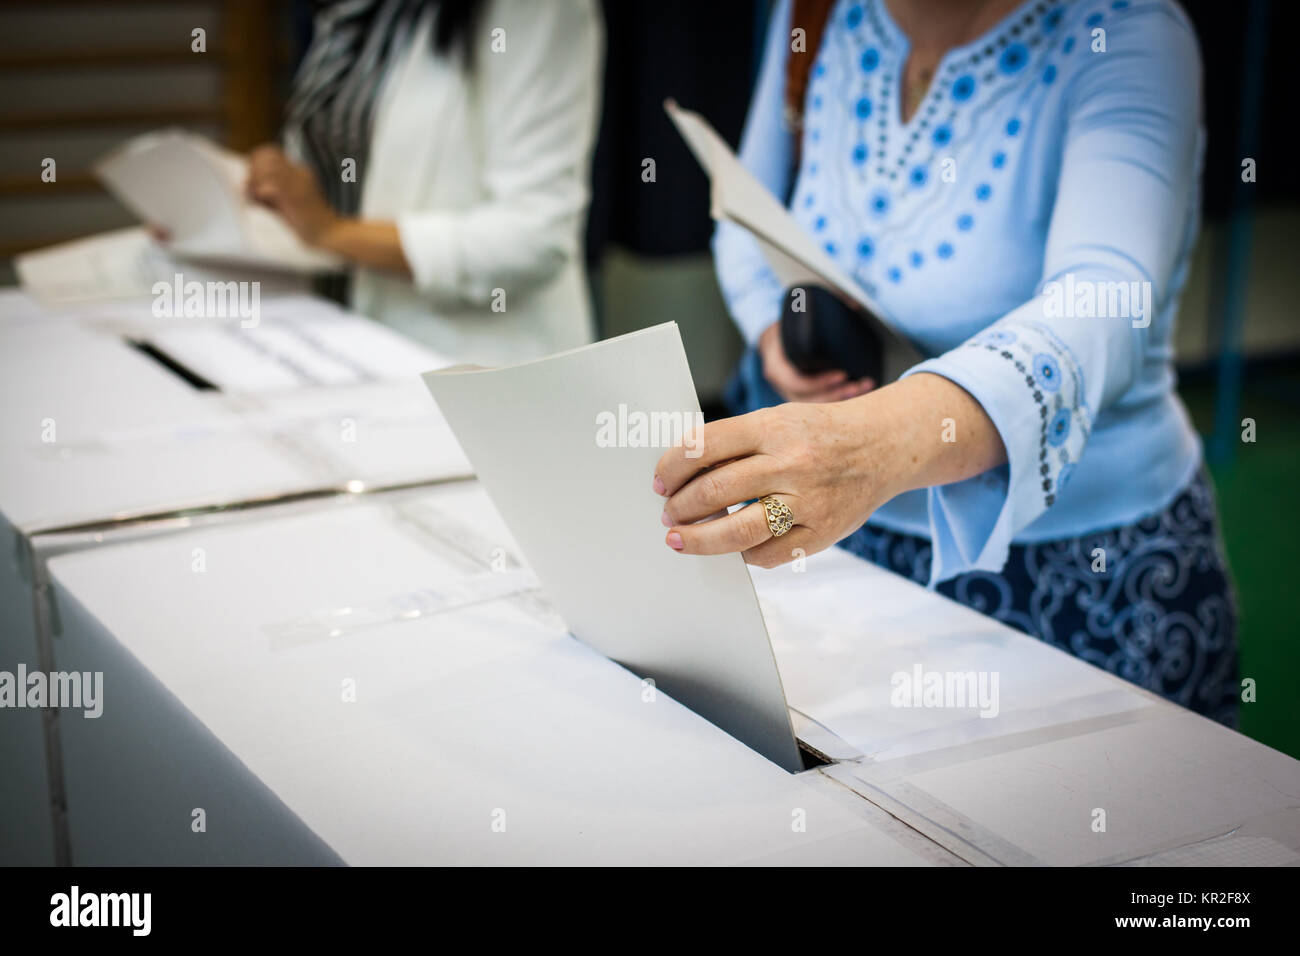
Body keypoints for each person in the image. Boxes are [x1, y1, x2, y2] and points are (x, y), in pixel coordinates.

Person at [655, 0, 1239, 725]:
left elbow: (1105, 300)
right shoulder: (816, 13)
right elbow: (742, 203)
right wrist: (777, 333)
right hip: (847, 548)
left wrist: (870, 444)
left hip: (1077, 571)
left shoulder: (1126, 31)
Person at [244, 0, 603, 366]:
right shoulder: (355, 13)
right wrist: (283, 183)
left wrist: (332, 232)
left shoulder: (537, 10)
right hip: (337, 338)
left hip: (473, 364)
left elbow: (534, 236)